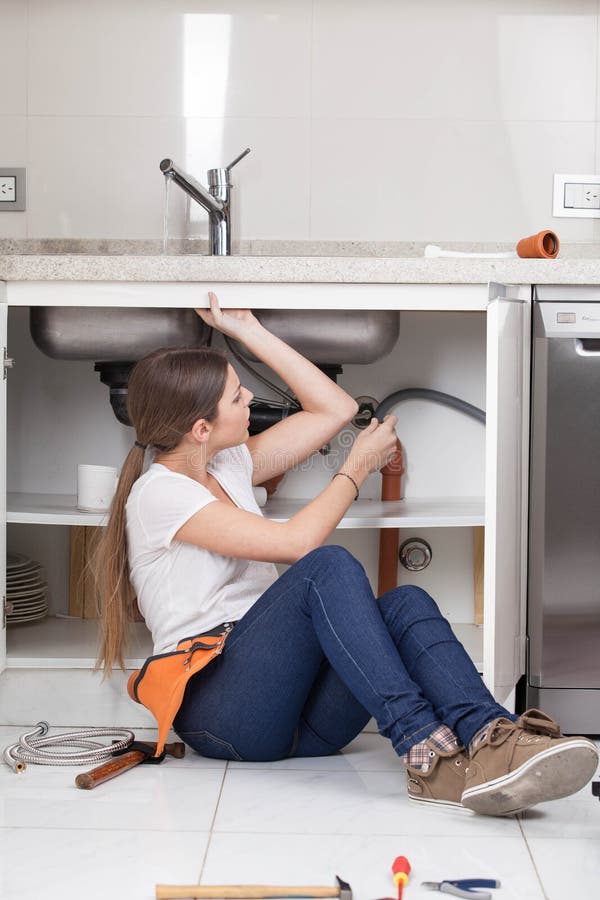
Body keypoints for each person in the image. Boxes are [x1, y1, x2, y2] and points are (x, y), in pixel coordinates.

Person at [95, 292, 598, 817]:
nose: (251, 400)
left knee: (405, 604)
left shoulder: (228, 465)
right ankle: (425, 753)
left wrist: (247, 328)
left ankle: (494, 739)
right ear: (201, 430)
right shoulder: (160, 494)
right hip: (222, 716)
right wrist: (355, 469)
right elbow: (297, 545)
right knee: (326, 567)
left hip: (297, 717)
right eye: (238, 397)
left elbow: (335, 409)